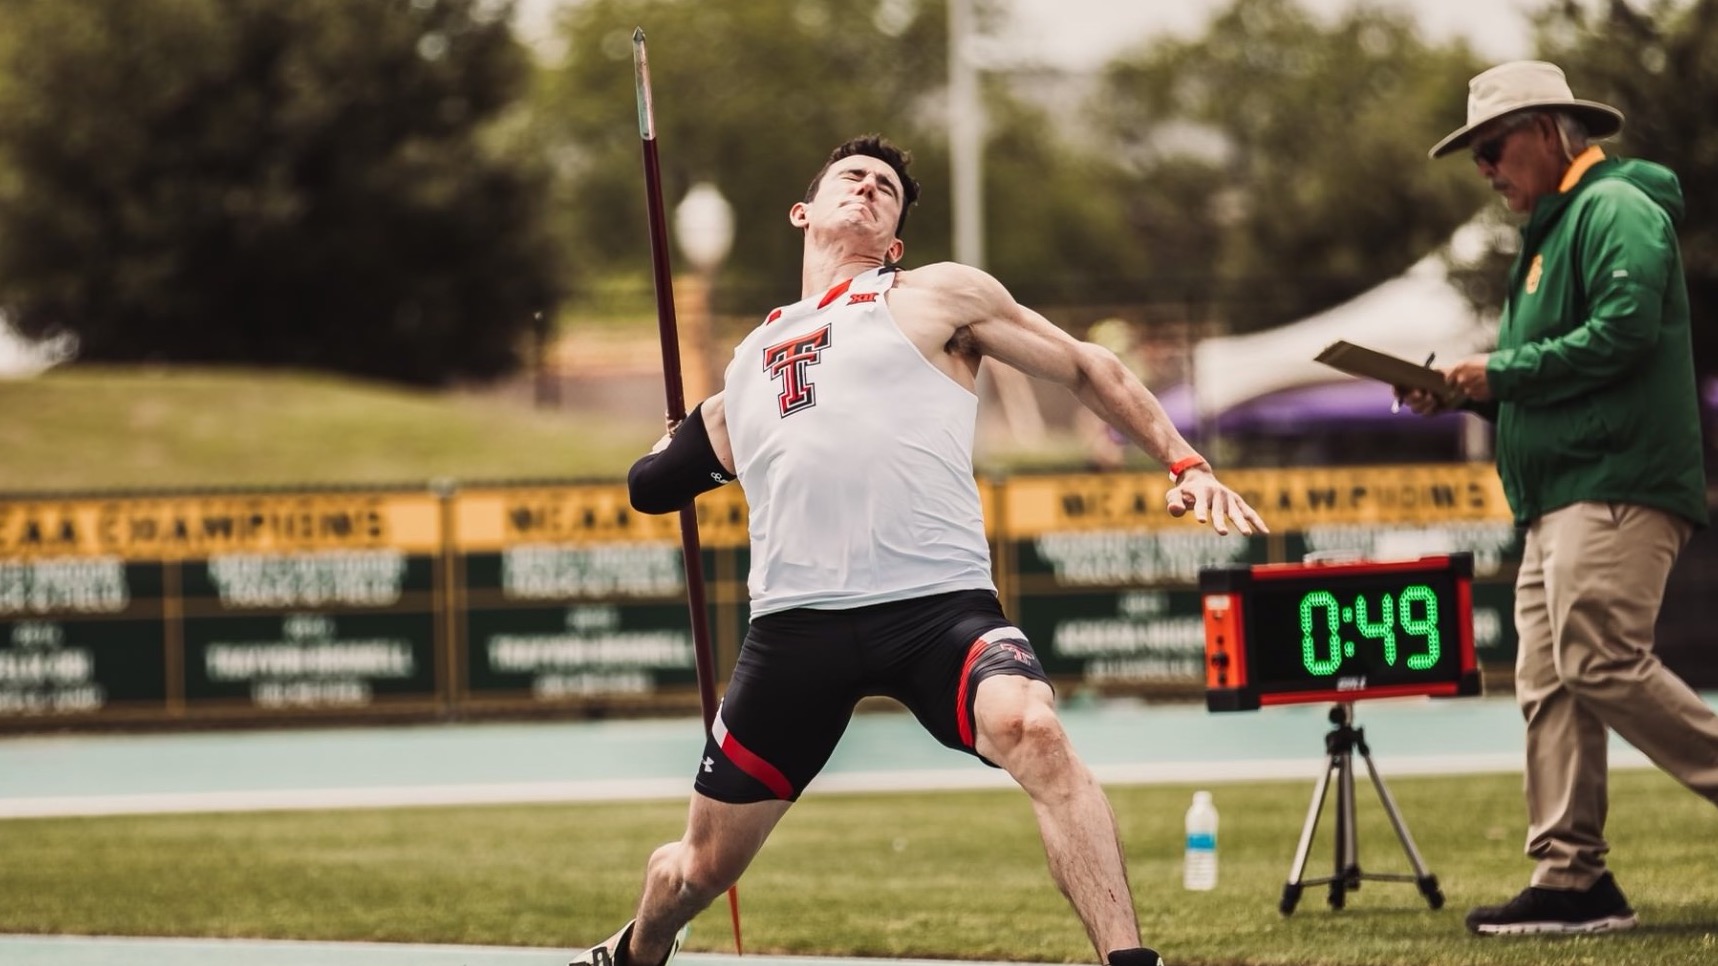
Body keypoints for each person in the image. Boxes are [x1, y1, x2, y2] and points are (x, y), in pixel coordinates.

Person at [579, 135, 1267, 966]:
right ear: (803, 212)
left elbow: (1085, 365)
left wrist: (1184, 462)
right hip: (796, 632)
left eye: (887, 189)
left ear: (896, 241)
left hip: (937, 610)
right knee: (700, 867)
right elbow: (651, 486)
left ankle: (1127, 961)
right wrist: (675, 442)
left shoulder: (934, 297)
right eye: (852, 177)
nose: (869, 188)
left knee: (1034, 729)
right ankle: (639, 947)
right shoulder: (749, 366)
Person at [1410, 60, 1716, 936]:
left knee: (1597, 661)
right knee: (1549, 682)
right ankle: (1571, 880)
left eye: (1492, 147)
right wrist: (1468, 392)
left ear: (1548, 130)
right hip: (1562, 492)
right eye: (1475, 154)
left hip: (1614, 482)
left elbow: (1622, 332)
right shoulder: (1556, 227)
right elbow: (1557, 374)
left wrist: (1498, 373)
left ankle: (1574, 873)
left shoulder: (1614, 206)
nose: (1484, 168)